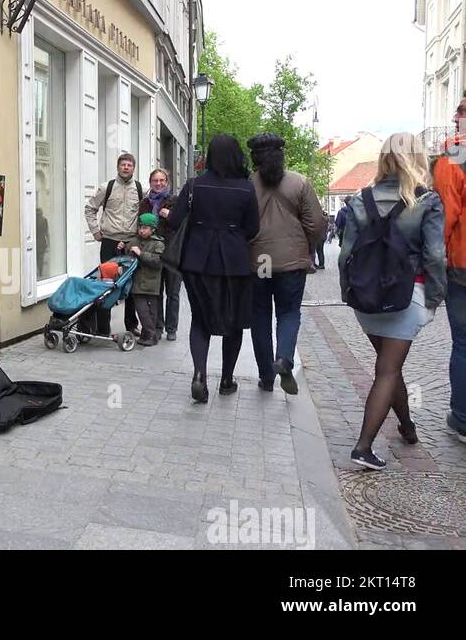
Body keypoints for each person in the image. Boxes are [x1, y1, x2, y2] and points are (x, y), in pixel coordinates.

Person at [340, 133, 446, 470]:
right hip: (407, 297)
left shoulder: (360, 200)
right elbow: (435, 256)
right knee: (387, 369)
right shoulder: (427, 202)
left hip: (368, 301)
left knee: (389, 366)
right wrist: (435, 297)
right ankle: (363, 446)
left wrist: (348, 293)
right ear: (416, 158)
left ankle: (407, 427)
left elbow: (345, 256)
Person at [168, 134, 260, 403]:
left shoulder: (195, 185)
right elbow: (254, 228)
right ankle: (227, 379)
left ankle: (199, 375)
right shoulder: (246, 188)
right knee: (234, 322)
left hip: (197, 261)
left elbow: (174, 220)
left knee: (200, 319)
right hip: (233, 263)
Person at [247, 133, 326, 395]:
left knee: (259, 316)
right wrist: (308, 249)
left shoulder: (248, 185)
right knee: (288, 313)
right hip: (291, 263)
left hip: (259, 261)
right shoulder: (300, 183)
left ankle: (266, 377)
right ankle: (283, 358)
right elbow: (315, 225)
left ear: (254, 157)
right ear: (282, 156)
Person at [428, 96, 466, 444]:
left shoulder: (453, 157)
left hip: (462, 266)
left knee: (464, 342)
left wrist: (432, 269)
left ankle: (463, 417)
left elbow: (446, 218)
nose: (456, 118)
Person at [85, 153, 144, 336]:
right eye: (123, 165)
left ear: (133, 168)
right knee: (107, 284)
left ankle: (131, 325)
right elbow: (90, 209)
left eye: (129, 165)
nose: (126, 168)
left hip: (131, 242)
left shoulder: (140, 188)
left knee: (131, 285)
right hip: (110, 242)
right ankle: (103, 328)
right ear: (118, 167)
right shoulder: (107, 187)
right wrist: (95, 231)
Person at [138, 168, 182, 340]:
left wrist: (170, 215)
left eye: (162, 180)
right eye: (155, 181)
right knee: (156, 292)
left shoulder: (176, 201)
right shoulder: (145, 203)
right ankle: (158, 326)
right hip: (153, 253)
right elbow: (140, 227)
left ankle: (172, 328)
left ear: (167, 182)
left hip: (172, 253)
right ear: (150, 183)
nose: (158, 183)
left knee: (173, 292)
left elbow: (184, 224)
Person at [124, 213, 166, 346]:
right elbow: (126, 256)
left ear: (153, 229)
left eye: (146, 228)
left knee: (152, 312)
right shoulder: (134, 241)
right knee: (141, 311)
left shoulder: (158, 243)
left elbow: (158, 262)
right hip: (137, 283)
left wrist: (141, 254)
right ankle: (151, 335)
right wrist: (121, 249)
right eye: (141, 227)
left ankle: (148, 335)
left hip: (152, 283)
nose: (142, 230)